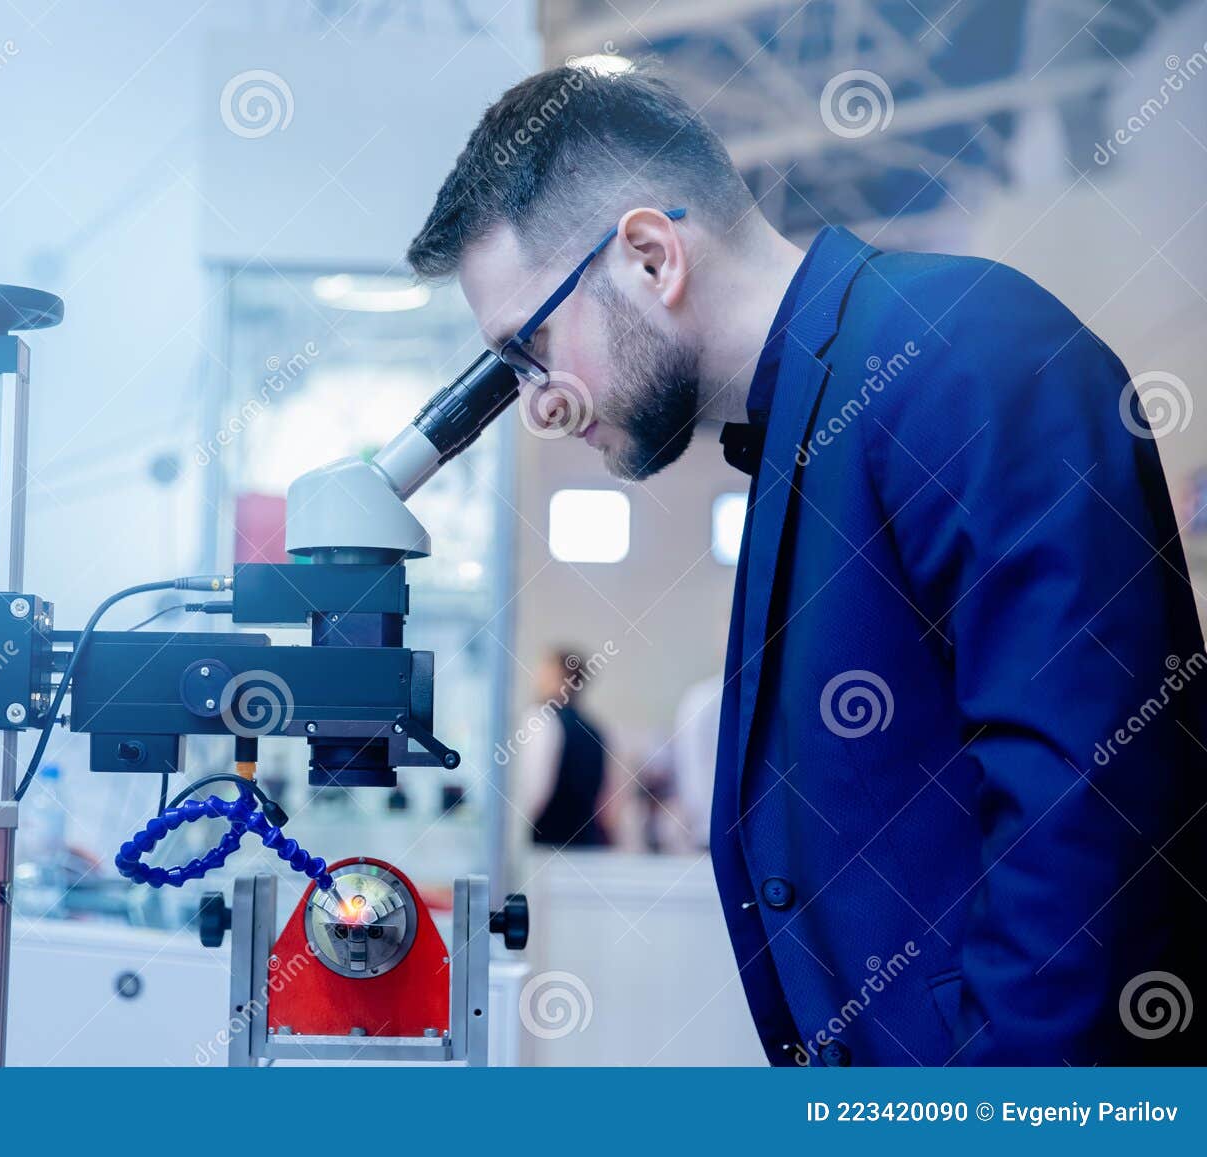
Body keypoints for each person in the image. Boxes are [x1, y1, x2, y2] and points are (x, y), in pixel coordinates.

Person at [407, 65, 1206, 1066]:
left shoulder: (965, 352)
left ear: (651, 256)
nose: (538, 402)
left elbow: (1092, 819)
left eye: (530, 349)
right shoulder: (802, 436)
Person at [513, 648, 612, 849]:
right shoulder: (595, 730)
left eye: (545, 674)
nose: (538, 680)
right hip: (584, 843)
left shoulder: (541, 721)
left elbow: (535, 793)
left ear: (563, 680)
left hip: (546, 843)